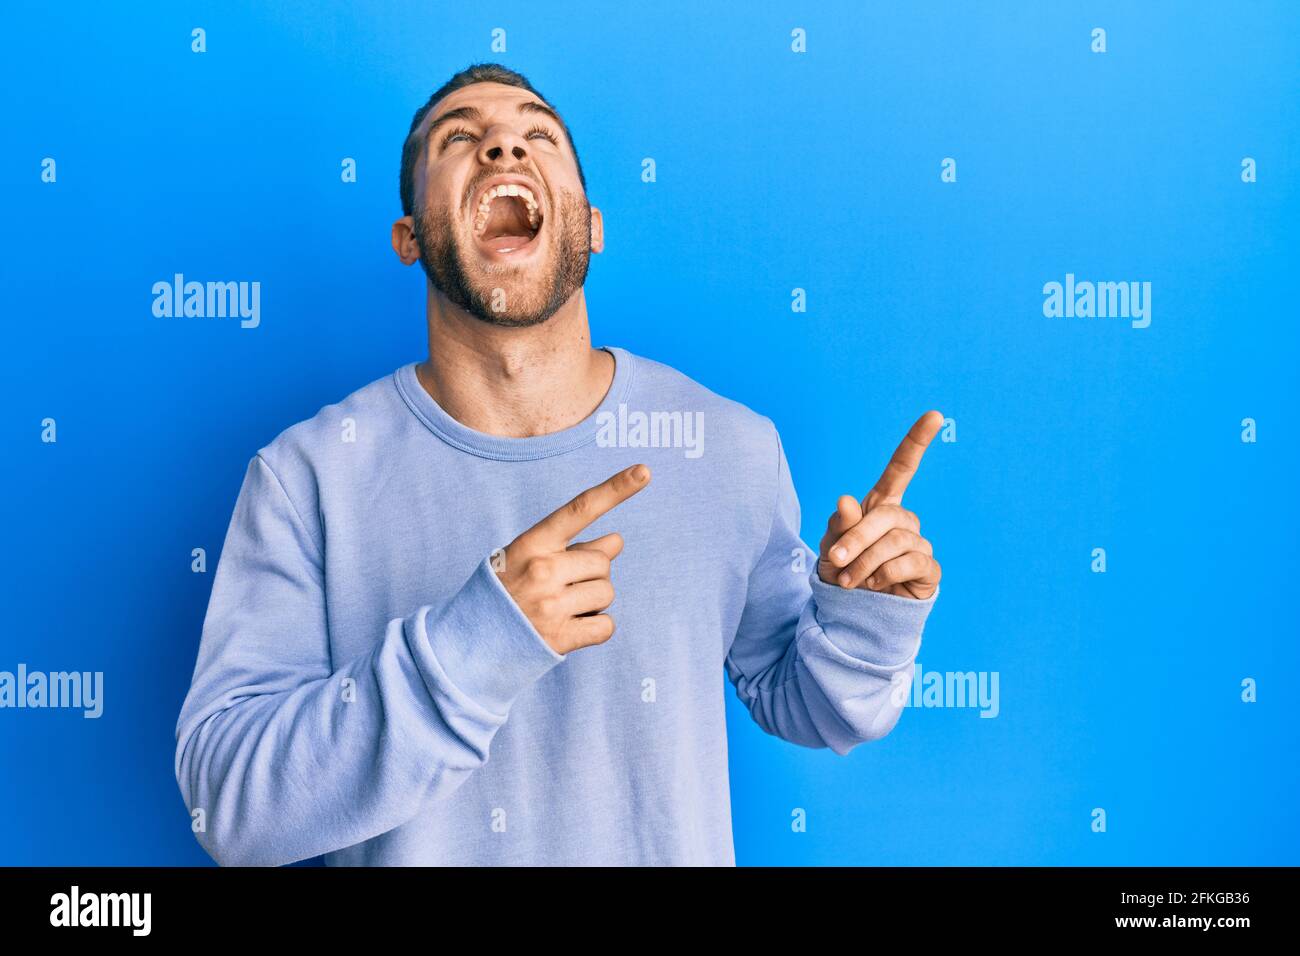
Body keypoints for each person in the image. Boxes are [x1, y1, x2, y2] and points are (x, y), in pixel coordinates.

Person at [174, 62, 943, 866]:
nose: (503, 143)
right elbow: (227, 807)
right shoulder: (307, 479)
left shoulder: (728, 446)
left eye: (537, 133)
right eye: (460, 137)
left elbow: (808, 707)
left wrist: (865, 627)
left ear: (591, 222)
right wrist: (476, 645)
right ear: (409, 236)